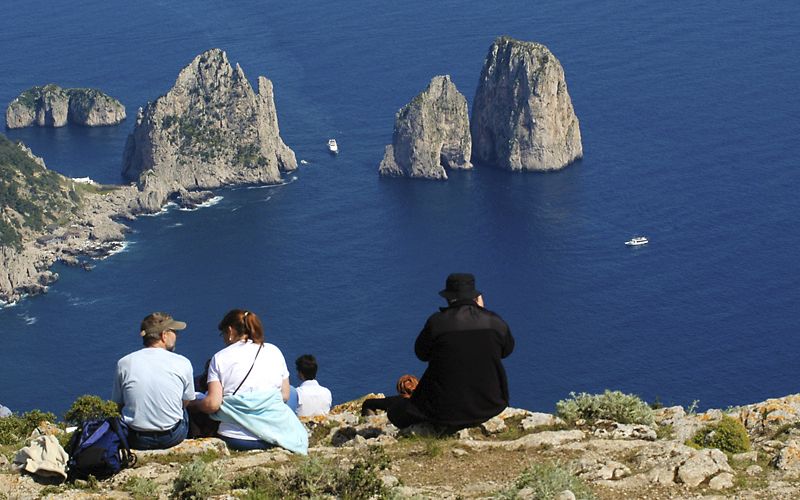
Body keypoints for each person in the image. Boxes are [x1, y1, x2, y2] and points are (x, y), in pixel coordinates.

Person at [387, 273, 515, 429]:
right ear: (476, 297)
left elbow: (421, 354)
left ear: (448, 298)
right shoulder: (495, 322)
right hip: (490, 406)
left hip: (443, 411)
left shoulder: (437, 322)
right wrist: (482, 312)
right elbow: (507, 350)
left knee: (395, 412)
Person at [189, 309, 307, 453]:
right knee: (293, 392)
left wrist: (196, 404)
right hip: (275, 436)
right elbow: (285, 395)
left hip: (236, 438)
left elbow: (213, 404)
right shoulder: (274, 351)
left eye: (223, 334)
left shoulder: (219, 358)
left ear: (230, 331)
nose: (224, 339)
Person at [111, 312, 195, 450]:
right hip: (171, 437)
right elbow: (186, 402)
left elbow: (119, 404)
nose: (177, 336)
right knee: (185, 407)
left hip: (136, 438)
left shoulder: (124, 363)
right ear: (164, 335)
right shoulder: (182, 362)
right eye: (174, 331)